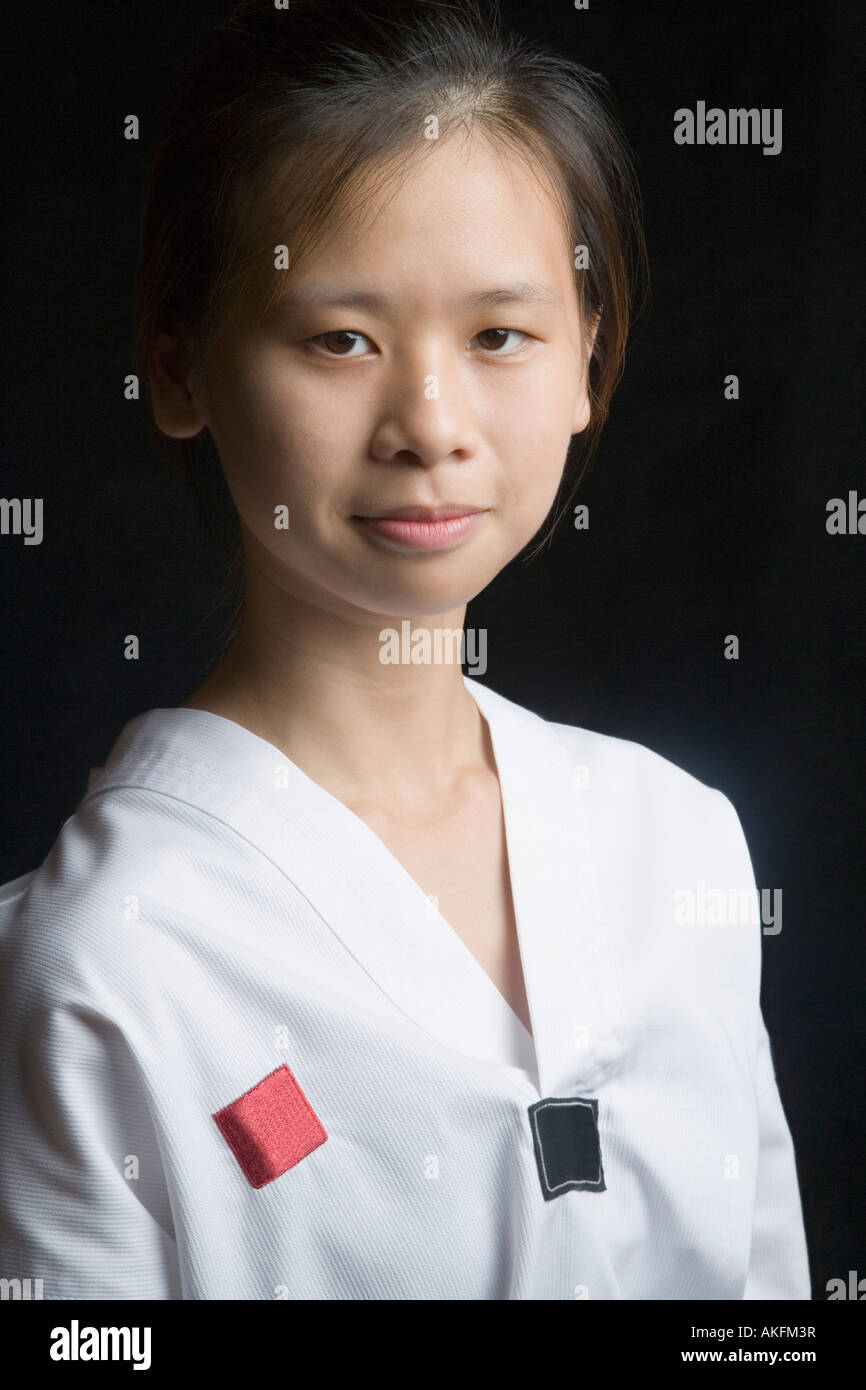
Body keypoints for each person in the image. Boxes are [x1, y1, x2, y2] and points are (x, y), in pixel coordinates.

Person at [0, 0, 810, 1299]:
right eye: (341, 340)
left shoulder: (679, 843)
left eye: (499, 335)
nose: (430, 423)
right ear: (180, 369)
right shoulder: (100, 957)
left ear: (588, 359)